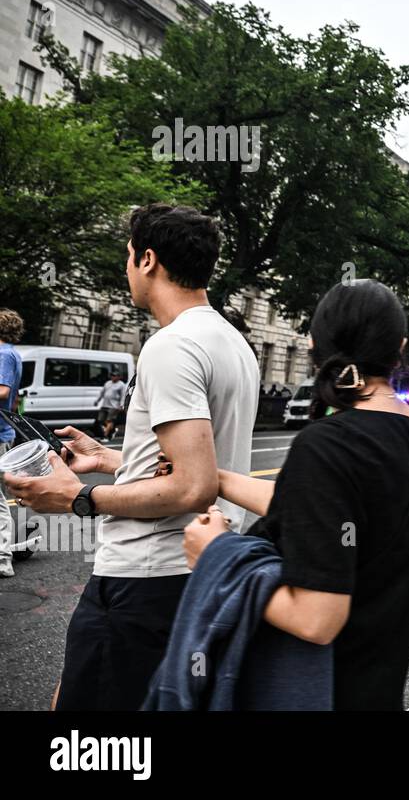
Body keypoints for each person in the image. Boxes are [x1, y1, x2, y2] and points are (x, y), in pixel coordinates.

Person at [4, 205, 258, 710]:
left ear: (147, 259)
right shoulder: (232, 341)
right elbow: (196, 462)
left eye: (127, 255)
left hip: (143, 578)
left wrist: (77, 499)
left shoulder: (172, 346)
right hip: (195, 570)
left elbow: (191, 486)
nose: (126, 268)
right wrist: (108, 458)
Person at [188, 278, 409, 710]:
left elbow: (318, 618)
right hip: (378, 687)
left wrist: (216, 555)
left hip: (314, 690)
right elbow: (320, 514)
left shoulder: (328, 443)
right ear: (399, 346)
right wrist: (217, 478)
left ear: (314, 345)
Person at [0, 308, 24, 579]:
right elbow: (14, 399)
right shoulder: (12, 354)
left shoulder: (4, 354)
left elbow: (4, 391)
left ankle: (3, 559)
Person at [93, 372, 128, 441]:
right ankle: (112, 430)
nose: (113, 377)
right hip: (105, 404)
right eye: (112, 375)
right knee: (100, 420)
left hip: (114, 406)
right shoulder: (108, 383)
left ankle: (105, 436)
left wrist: (121, 405)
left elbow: (123, 396)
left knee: (109, 420)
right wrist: (97, 401)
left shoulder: (121, 385)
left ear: (118, 377)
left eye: (115, 376)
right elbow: (102, 393)